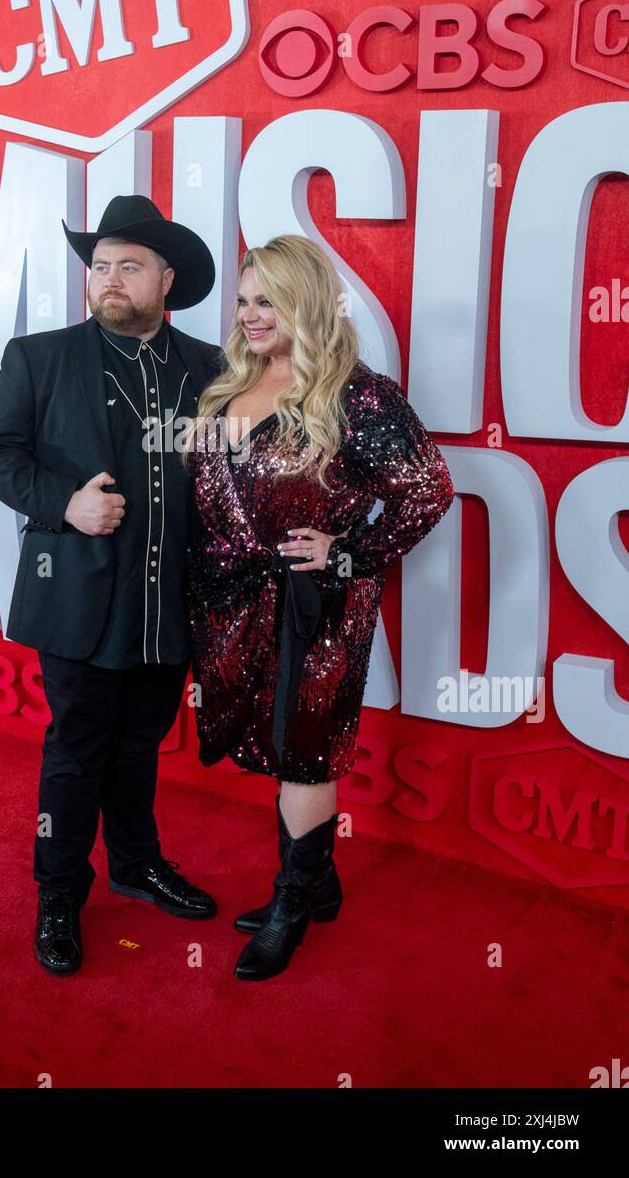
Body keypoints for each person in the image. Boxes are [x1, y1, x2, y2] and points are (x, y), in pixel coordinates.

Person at [183, 233, 455, 981]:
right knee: (274, 741)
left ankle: (291, 905)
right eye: (242, 302)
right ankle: (320, 883)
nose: (250, 316)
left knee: (306, 744)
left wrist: (347, 552)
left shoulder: (355, 392)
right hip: (230, 601)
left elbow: (428, 488)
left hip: (316, 605)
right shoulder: (225, 384)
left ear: (305, 299)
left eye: (267, 299)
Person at [0, 194, 223, 977]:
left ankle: (136, 864)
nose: (108, 279)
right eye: (100, 266)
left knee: (139, 744)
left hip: (166, 602)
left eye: (128, 266)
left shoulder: (210, 367)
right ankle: (57, 892)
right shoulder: (37, 356)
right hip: (77, 597)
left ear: (166, 278)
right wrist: (65, 503)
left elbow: (220, 474)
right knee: (76, 750)